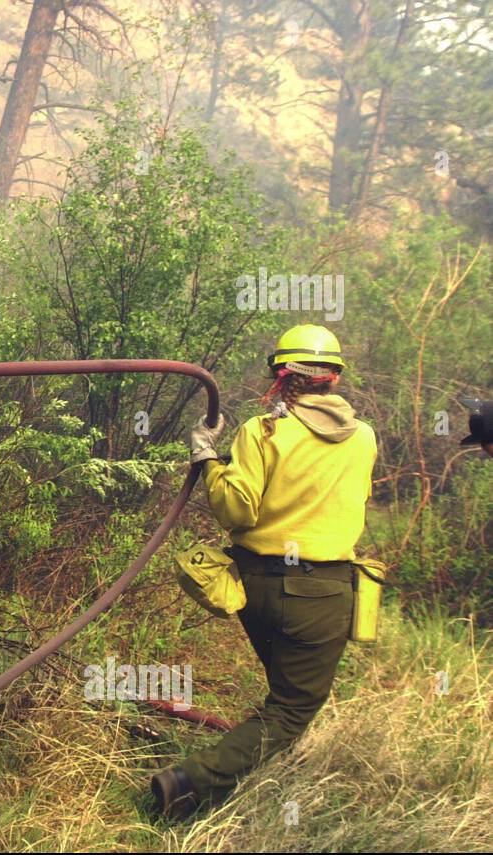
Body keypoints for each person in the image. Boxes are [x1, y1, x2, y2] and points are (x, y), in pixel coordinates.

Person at [151, 324, 377, 820]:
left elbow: (236, 512)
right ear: (334, 379)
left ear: (280, 376)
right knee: (293, 708)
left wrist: (207, 455)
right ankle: (188, 784)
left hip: (254, 585)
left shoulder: (263, 430)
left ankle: (242, 777)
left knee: (284, 695)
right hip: (321, 593)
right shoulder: (364, 438)